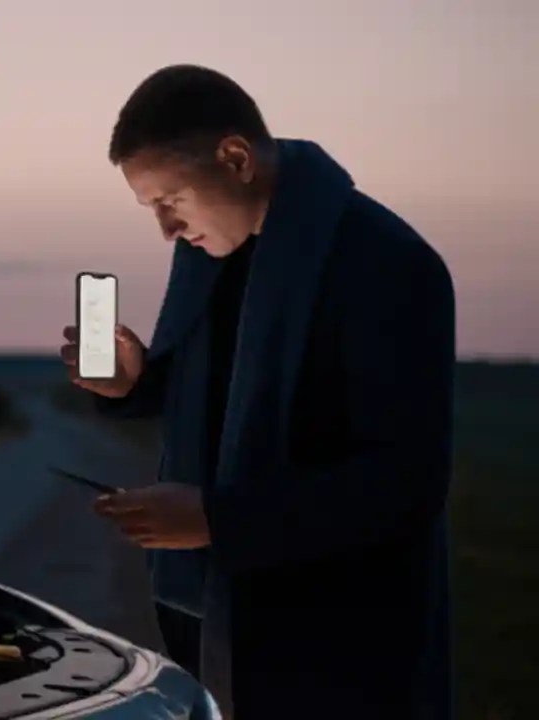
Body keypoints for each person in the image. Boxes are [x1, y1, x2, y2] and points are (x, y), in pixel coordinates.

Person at [59, 65, 455, 719]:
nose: (164, 229)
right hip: (216, 622)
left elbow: (406, 483)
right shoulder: (213, 255)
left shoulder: (390, 265)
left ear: (236, 158)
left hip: (341, 649)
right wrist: (133, 382)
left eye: (172, 199)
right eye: (150, 207)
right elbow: (215, 392)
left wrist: (217, 519)